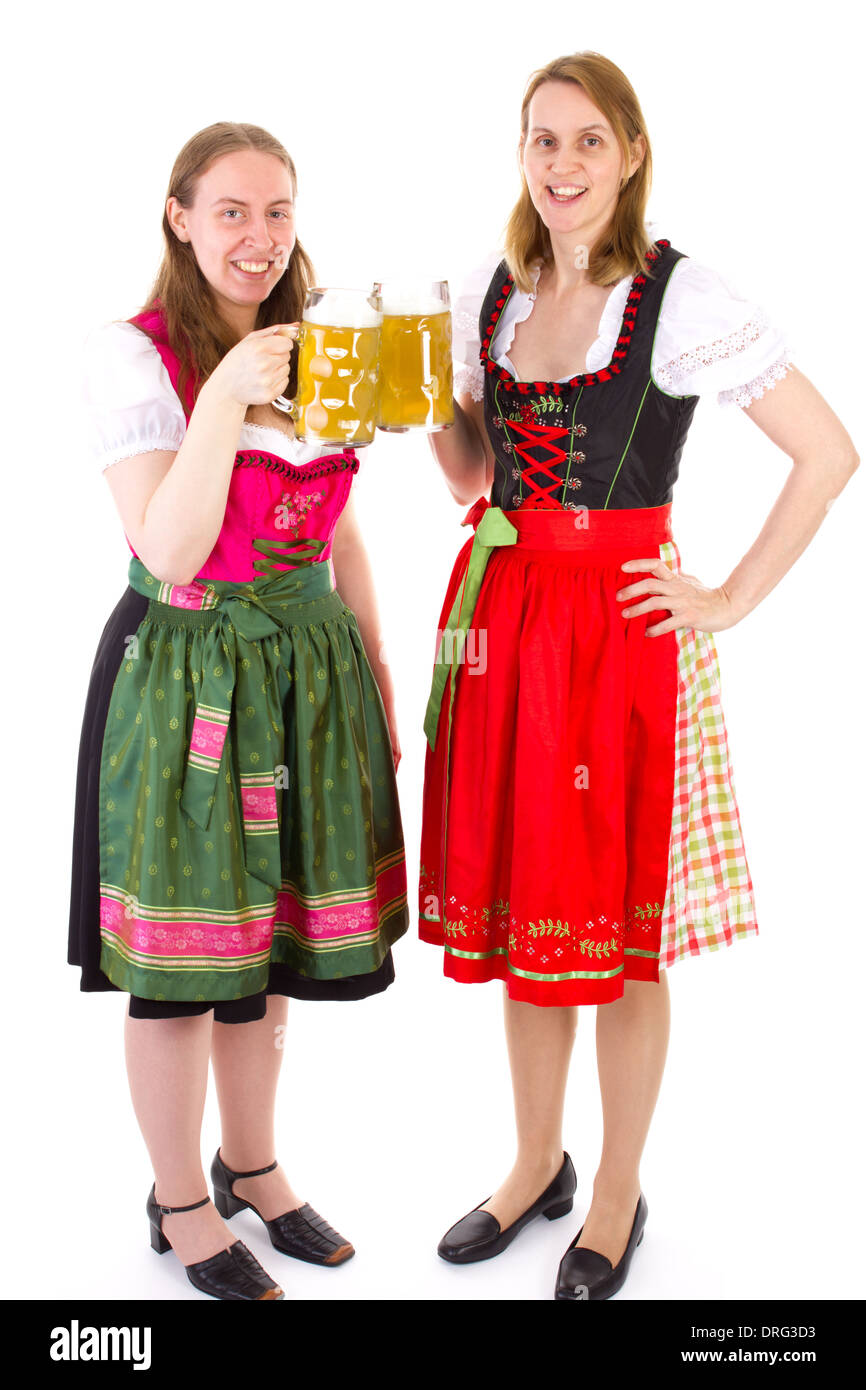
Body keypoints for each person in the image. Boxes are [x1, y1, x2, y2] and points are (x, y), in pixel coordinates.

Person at [418, 52, 858, 1301]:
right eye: (539, 141)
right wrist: (427, 409)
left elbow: (827, 454)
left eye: (585, 143)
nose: (559, 167)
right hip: (500, 619)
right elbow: (470, 480)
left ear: (627, 154)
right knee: (516, 908)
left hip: (617, 634)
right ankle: (531, 1164)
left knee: (621, 932)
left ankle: (614, 1192)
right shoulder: (492, 291)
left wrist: (719, 599)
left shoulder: (678, 293)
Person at [67, 122, 409, 1300]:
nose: (257, 238)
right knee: (179, 961)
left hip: (303, 678)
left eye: (276, 213)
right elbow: (165, 547)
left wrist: (372, 674)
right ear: (179, 216)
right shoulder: (135, 355)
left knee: (263, 956)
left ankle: (253, 1165)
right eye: (229, 212)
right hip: (183, 677)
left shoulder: (324, 342)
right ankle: (175, 1201)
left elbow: (343, 525)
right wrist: (220, 394)